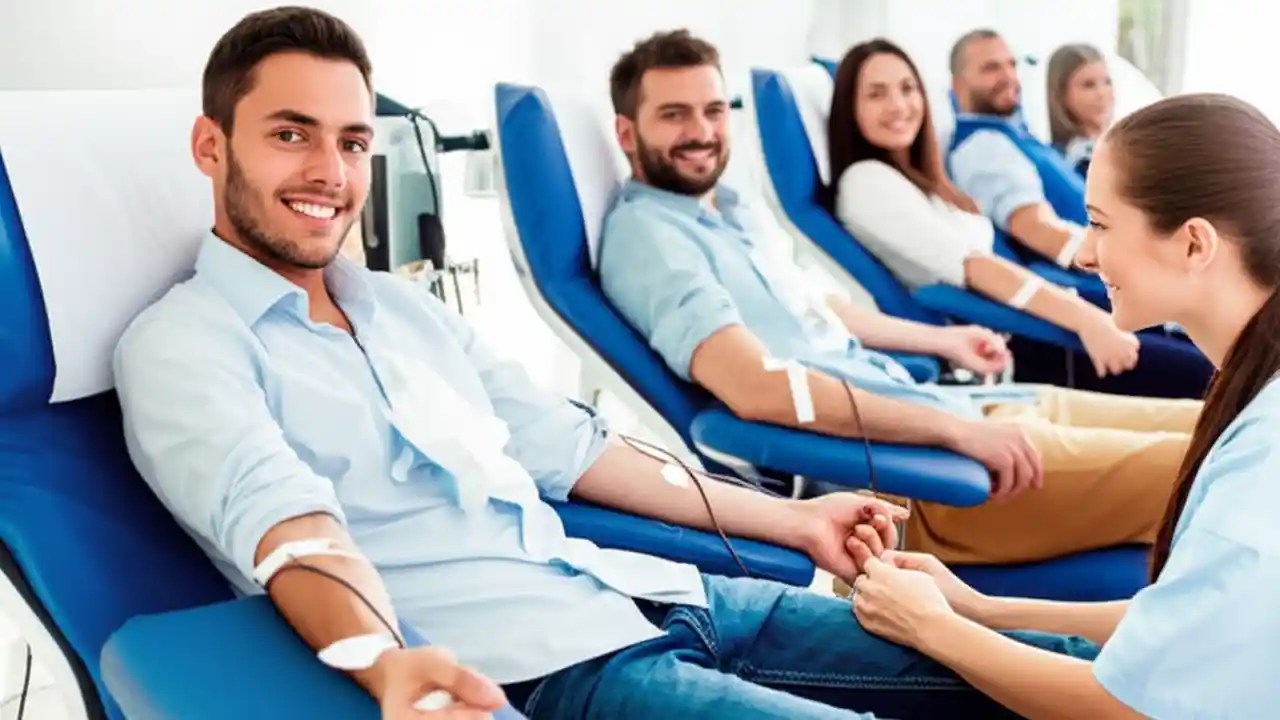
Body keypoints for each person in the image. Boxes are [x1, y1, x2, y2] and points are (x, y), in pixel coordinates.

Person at [112, 8, 1090, 719]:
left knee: (1035, 666)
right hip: (553, 671)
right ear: (212, 145)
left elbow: (577, 452)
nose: (329, 172)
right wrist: (382, 664)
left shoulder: (403, 311)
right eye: (290, 135)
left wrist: (796, 517)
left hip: (646, 592)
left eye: (352, 141)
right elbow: (289, 529)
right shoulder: (186, 343)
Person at [599, 28, 1202, 569]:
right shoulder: (652, 238)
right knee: (1213, 468)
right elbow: (755, 389)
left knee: (1219, 421)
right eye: (674, 115)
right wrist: (951, 431)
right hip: (921, 481)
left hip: (943, 407)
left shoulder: (730, 209)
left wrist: (941, 340)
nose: (702, 132)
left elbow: (817, 309)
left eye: (712, 110)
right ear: (627, 132)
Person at [850, 92, 1280, 719]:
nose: (1082, 253)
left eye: (1101, 225)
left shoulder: (1257, 473)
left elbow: (1127, 711)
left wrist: (930, 628)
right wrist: (979, 608)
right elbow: (1195, 622)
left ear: (1193, 245)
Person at [825, 38, 1212, 399]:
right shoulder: (867, 182)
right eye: (876, 94)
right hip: (1033, 338)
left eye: (907, 89)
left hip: (1040, 317)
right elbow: (977, 268)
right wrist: (1086, 320)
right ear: (849, 107)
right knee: (1209, 374)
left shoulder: (917, 181)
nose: (898, 105)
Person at [946, 29, 1094, 283]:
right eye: (991, 68)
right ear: (958, 85)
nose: (1009, 77)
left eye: (1011, 65)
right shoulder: (982, 146)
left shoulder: (1013, 134)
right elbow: (1037, 229)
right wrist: (1129, 266)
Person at [1046, 43, 1113, 177]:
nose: (1102, 93)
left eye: (1107, 82)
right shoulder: (1062, 162)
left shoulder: (1122, 148)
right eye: (1088, 85)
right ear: (1061, 95)